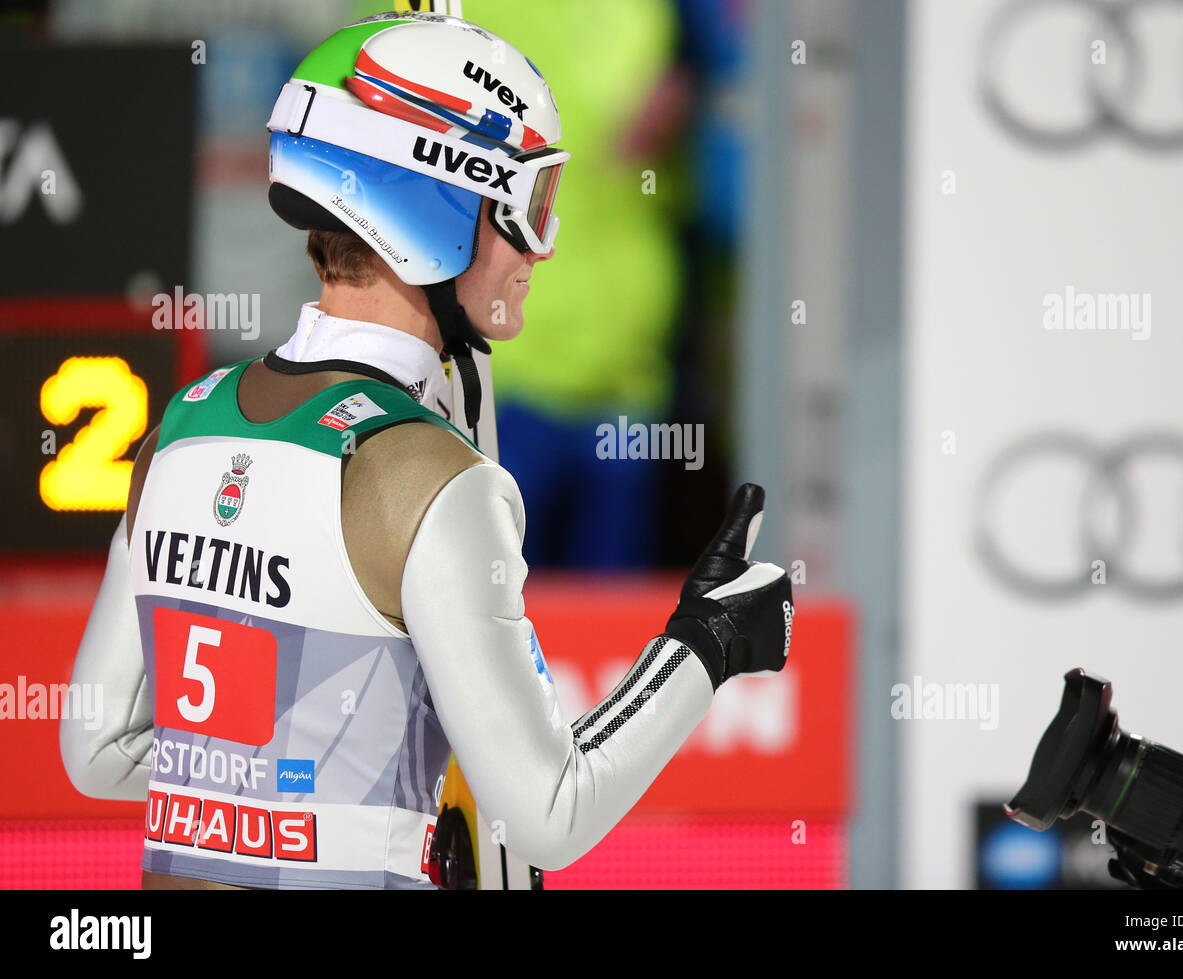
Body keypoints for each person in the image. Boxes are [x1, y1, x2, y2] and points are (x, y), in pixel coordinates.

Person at [60, 11, 794, 890]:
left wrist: (309, 791)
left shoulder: (180, 428)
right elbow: (551, 810)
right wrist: (708, 640)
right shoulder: (436, 479)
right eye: (527, 204)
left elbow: (96, 750)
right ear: (432, 212)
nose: (543, 245)